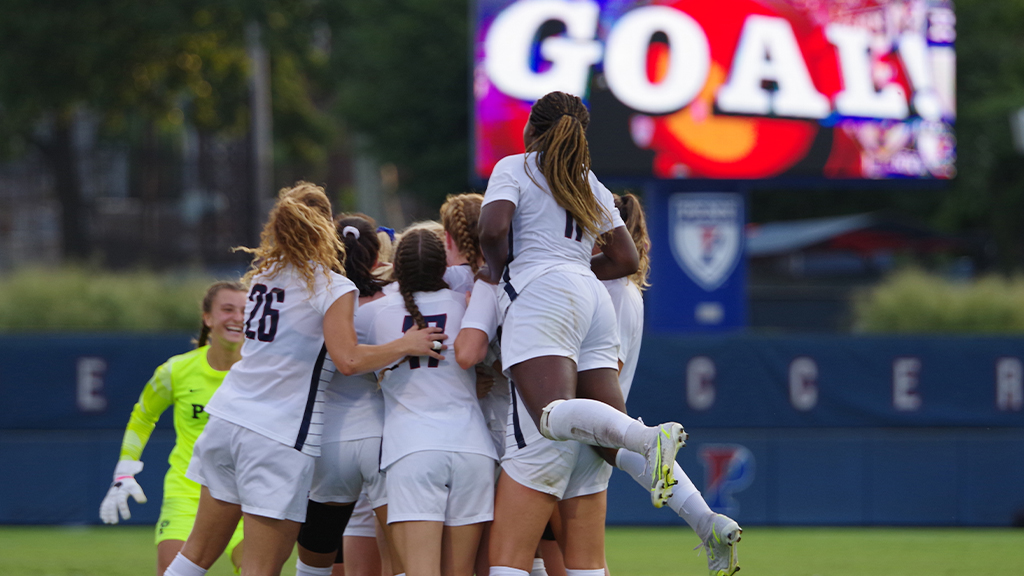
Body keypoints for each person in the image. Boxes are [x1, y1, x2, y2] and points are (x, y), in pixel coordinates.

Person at [162, 182, 445, 576]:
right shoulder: (332, 286)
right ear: (325, 225)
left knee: (196, 555)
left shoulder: (264, 276)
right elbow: (347, 360)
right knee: (263, 566)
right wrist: (406, 343)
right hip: (276, 435)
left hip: (226, 420)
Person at [477, 91, 687, 576]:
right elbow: (626, 260)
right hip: (591, 298)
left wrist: (498, 271)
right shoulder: (587, 180)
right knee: (594, 432)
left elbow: (492, 229)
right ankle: (648, 446)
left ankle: (646, 438)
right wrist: (574, 268)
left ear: (532, 128)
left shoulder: (516, 165)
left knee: (549, 422)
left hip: (543, 292)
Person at [364, 228, 498, 576]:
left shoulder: (376, 313)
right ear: (443, 267)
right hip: (473, 451)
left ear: (397, 267)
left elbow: (344, 357)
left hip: (413, 452)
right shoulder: (466, 305)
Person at [99, 281, 248, 575]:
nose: (238, 317)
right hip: (188, 493)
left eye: (245, 310)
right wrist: (124, 469)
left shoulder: (267, 371)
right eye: (228, 309)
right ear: (208, 317)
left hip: (250, 494)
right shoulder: (175, 371)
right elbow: (142, 416)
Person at [294, 214, 398, 576]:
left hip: (328, 440)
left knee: (317, 554)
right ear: (376, 255)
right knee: (401, 557)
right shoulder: (396, 302)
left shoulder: (308, 302)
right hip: (385, 439)